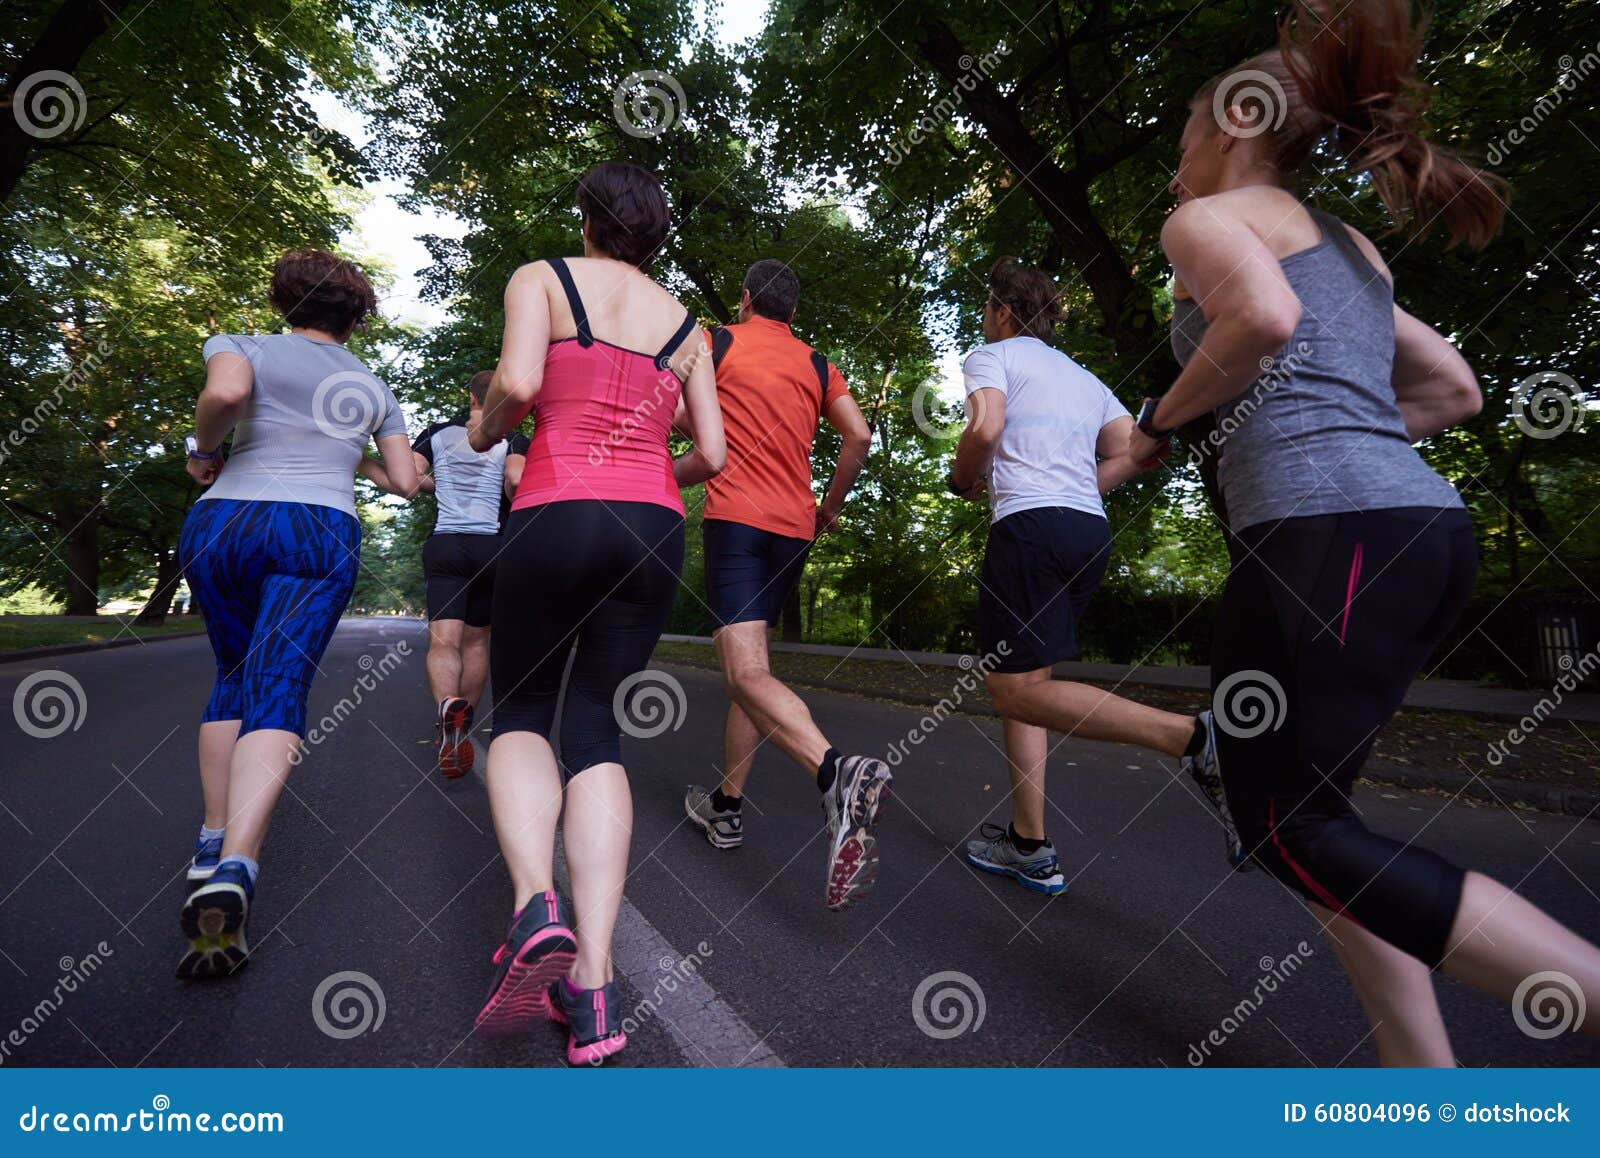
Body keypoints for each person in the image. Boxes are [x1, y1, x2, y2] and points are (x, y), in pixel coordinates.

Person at [1133, 0, 1599, 1064]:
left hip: (1324, 535)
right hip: (1415, 525)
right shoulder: (1349, 249)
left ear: (1234, 129)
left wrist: (1159, 424)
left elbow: (1262, 320)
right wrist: (1341, 437)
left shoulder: (1207, 223)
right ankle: (1416, 1081)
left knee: (1290, 828)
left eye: (1185, 144)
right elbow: (1456, 388)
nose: (1176, 170)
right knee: (1314, 821)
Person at [466, 162, 725, 1065]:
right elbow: (714, 452)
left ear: (587, 219)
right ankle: (597, 987)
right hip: (652, 528)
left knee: (525, 715)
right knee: (599, 734)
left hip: (554, 513)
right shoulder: (693, 329)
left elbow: (521, 384)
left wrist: (483, 430)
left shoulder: (541, 278)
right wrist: (647, 483)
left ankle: (538, 904)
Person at [177, 249, 416, 978]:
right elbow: (406, 482)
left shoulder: (242, 344)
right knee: (279, 688)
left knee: (233, 676)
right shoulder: (372, 386)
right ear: (356, 317)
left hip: (225, 521)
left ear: (286, 302)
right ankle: (238, 869)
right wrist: (350, 452)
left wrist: (201, 449)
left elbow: (224, 396)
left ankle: (212, 841)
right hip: (317, 527)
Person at [948, 257, 1196, 895]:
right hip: (1087, 534)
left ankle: (1195, 738)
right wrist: (1074, 486)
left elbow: (986, 425)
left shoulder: (991, 355)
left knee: (1010, 690)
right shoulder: (1083, 377)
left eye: (985, 307)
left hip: (1029, 533)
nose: (982, 317)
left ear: (1003, 310)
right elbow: (1135, 451)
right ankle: (1030, 844)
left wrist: (964, 479)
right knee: (1031, 684)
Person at [679, 259, 890, 913]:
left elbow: (674, 407)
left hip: (738, 522)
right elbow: (858, 434)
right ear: (793, 313)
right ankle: (728, 805)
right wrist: (829, 505)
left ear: (744, 300)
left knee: (743, 672)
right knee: (755, 667)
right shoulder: (819, 365)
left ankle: (834, 770)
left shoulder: (715, 341)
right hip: (794, 528)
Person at [407, 371, 529, 777]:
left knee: (445, 641)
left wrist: (438, 484)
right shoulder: (513, 438)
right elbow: (514, 478)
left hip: (446, 544)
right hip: (494, 547)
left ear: (471, 397)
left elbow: (410, 477)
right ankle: (463, 726)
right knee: (477, 642)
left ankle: (446, 706)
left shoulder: (439, 433)